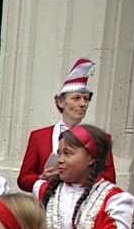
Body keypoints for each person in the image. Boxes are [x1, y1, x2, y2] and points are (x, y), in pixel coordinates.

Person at [17, 59, 117, 192]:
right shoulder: (39, 136)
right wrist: (41, 178)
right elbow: (23, 179)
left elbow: (110, 180)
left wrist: (82, 178)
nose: (83, 104)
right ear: (61, 102)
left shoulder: (100, 138)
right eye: (76, 98)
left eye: (86, 99)